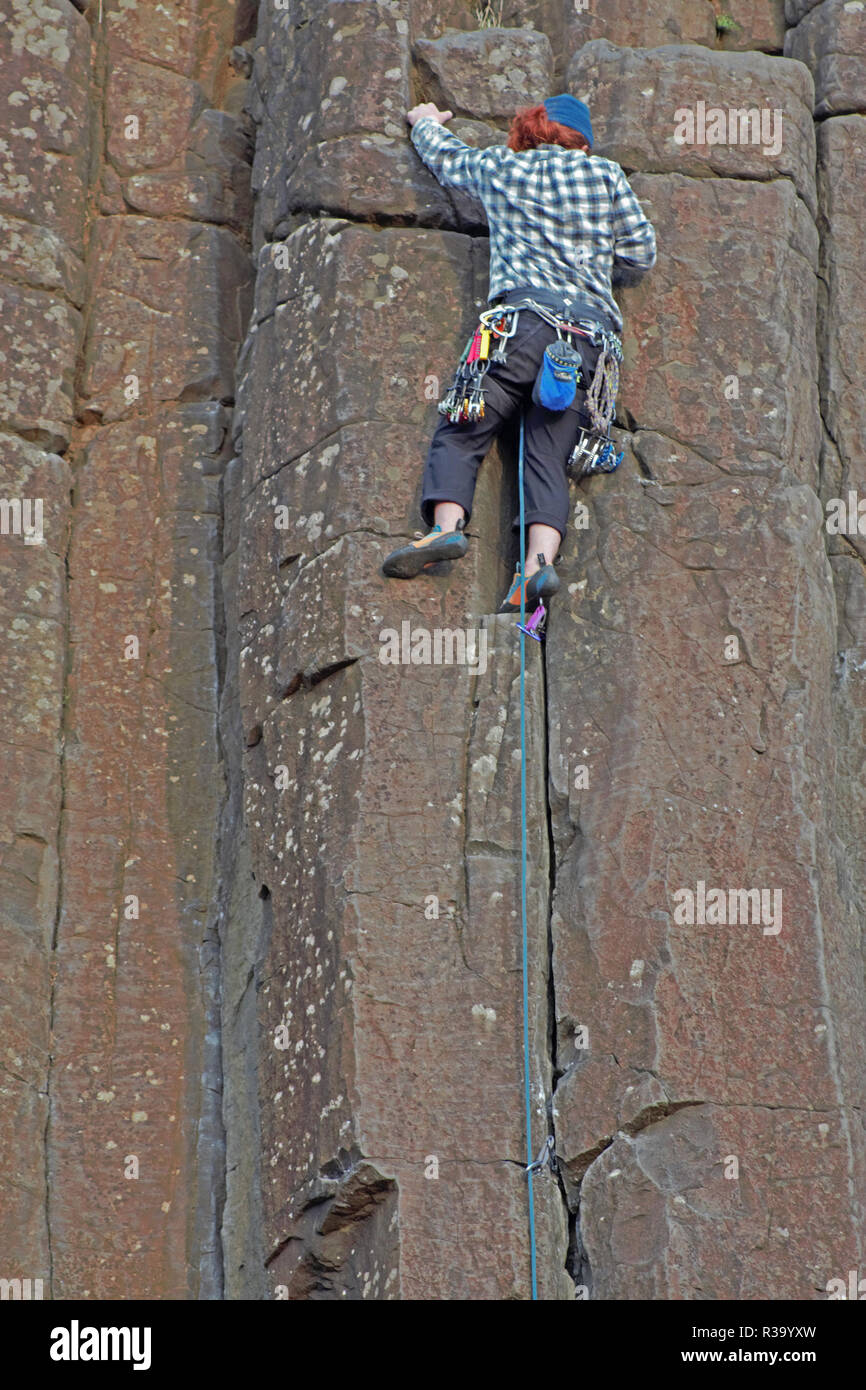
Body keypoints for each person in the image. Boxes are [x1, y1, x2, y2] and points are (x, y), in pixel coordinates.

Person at [382, 94, 656, 616]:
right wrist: (595, 257)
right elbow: (642, 252)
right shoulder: (605, 176)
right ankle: (535, 568)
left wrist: (423, 122)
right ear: (581, 138)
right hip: (588, 345)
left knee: (465, 426)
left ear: (529, 130)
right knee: (547, 455)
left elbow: (447, 159)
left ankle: (444, 529)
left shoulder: (503, 167)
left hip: (519, 328)